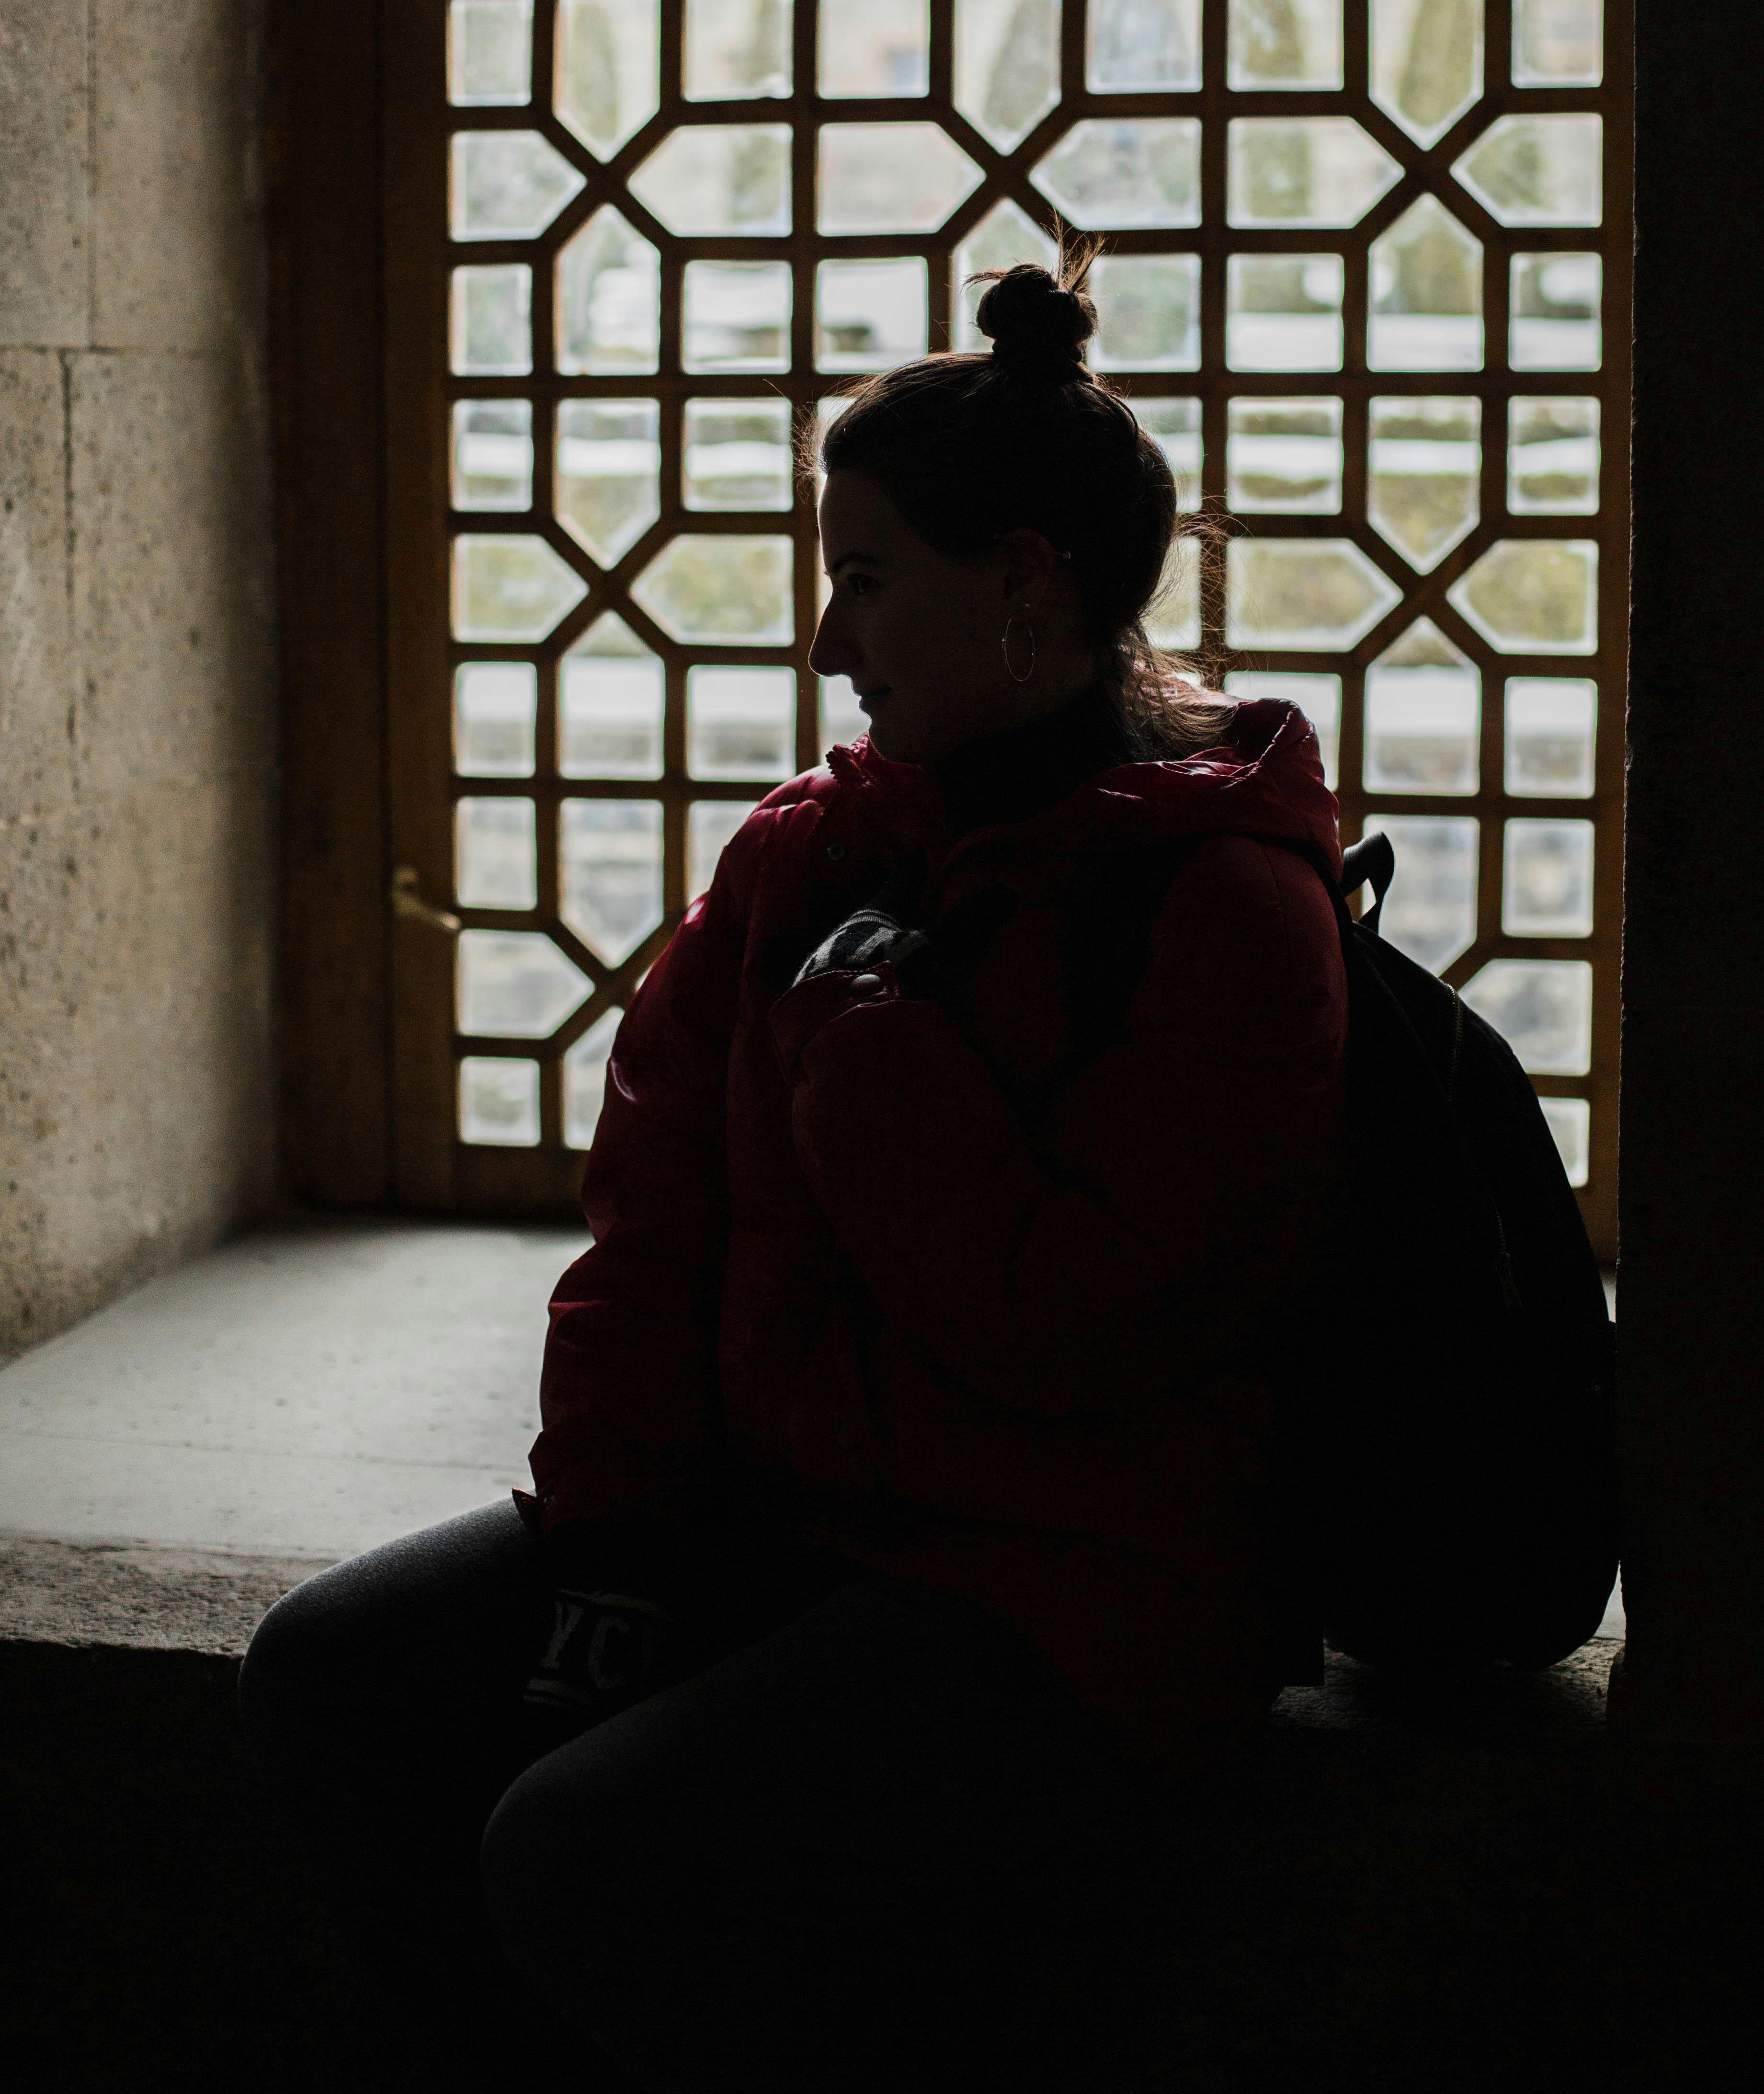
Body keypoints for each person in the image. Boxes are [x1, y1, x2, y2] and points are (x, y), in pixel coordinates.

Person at [240, 248, 1347, 2094]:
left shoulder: (1221, 903)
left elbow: (1074, 1330)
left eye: (867, 582)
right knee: (334, 1673)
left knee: (582, 1844)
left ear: (1023, 586)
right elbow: (651, 1220)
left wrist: (877, 1061)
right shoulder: (808, 858)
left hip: (1068, 1591)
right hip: (790, 1526)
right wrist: (612, 1539)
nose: (831, 644)